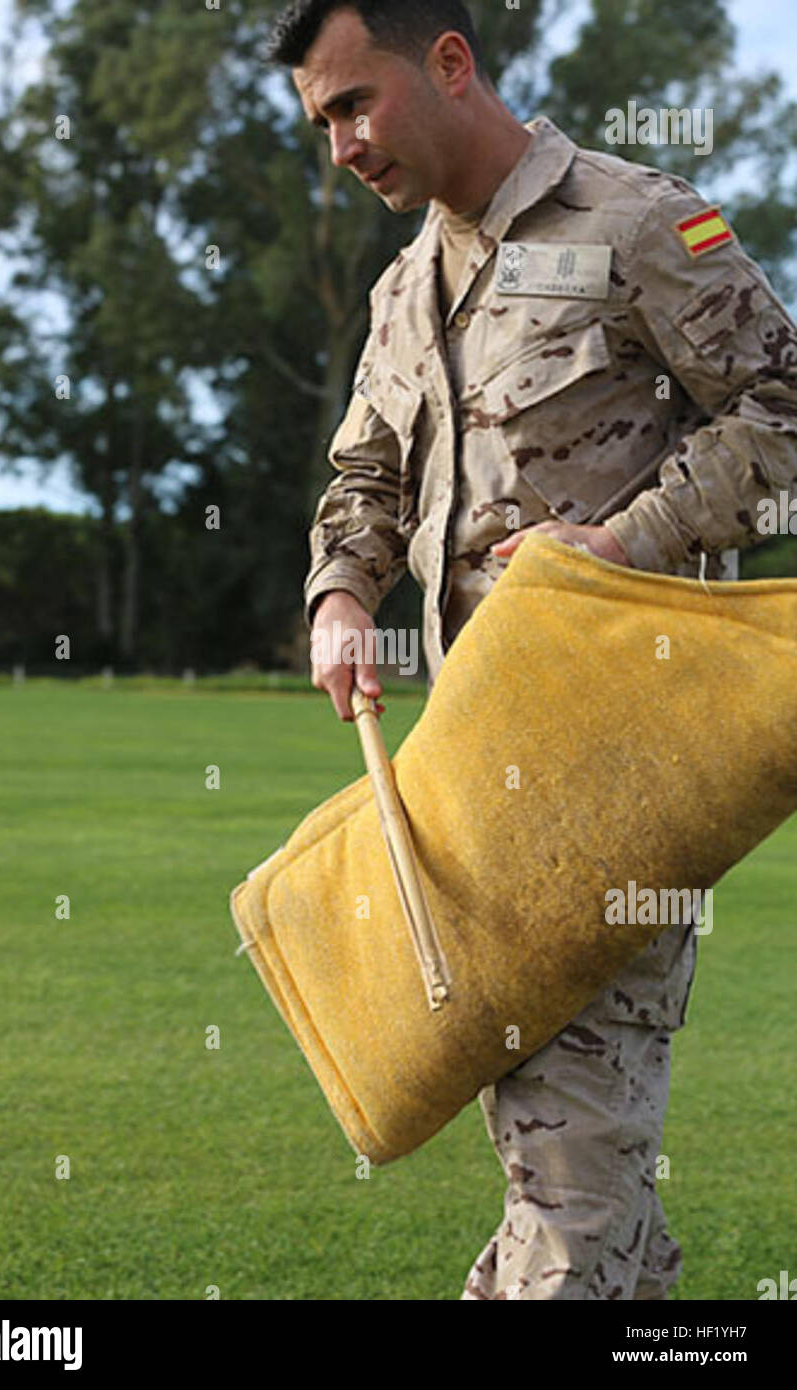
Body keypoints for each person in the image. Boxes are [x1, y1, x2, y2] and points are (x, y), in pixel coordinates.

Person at [264, 0, 797, 1300]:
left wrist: (624, 540)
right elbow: (363, 476)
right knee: (565, 1176)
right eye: (317, 121)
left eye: (352, 104)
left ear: (448, 62)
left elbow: (784, 410)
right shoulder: (405, 289)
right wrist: (342, 595)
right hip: (472, 789)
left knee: (569, 1197)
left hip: (623, 783)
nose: (337, 145)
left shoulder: (634, 221)